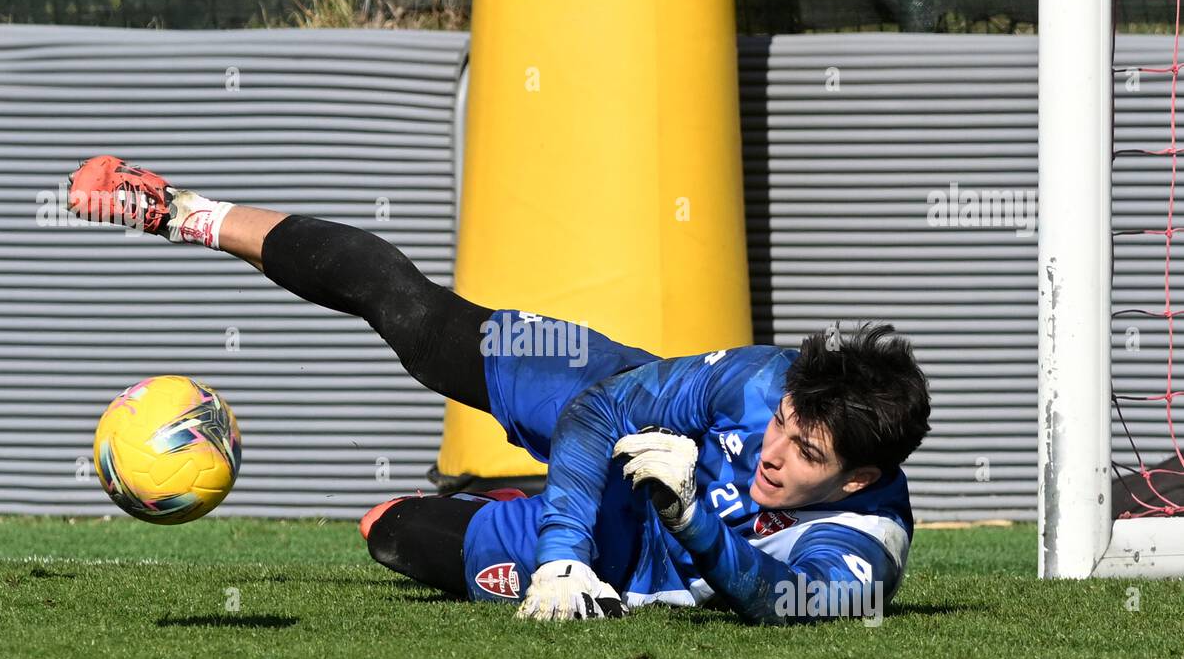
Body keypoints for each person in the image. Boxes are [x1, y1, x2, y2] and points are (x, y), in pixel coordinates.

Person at [66, 155, 932, 623]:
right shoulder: (757, 381)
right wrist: (560, 551)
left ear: (856, 480)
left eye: (805, 454)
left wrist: (686, 518)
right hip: (606, 389)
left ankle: (513, 501)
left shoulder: (865, 551)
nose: (774, 453)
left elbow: (768, 601)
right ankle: (175, 209)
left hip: (626, 560)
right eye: (783, 426)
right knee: (422, 322)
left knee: (392, 533)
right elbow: (604, 408)